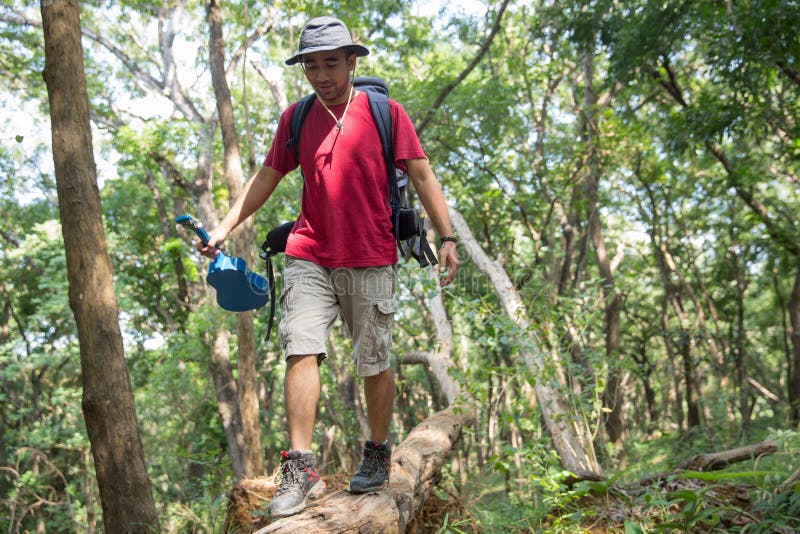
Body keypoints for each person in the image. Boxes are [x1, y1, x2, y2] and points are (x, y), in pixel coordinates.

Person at [199, 15, 459, 518]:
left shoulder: (385, 113)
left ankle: (378, 452)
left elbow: (422, 174)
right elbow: (267, 176)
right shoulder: (297, 119)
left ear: (352, 61)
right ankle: (299, 468)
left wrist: (446, 237)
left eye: (331, 63)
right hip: (309, 251)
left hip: (371, 252)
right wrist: (225, 227)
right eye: (311, 65)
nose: (321, 74)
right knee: (301, 348)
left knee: (374, 358)